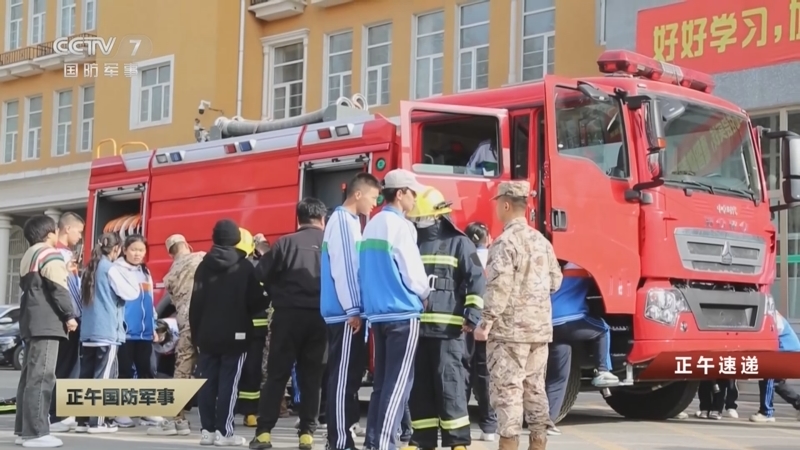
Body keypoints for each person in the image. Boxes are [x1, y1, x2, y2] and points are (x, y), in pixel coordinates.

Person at [474, 181, 562, 450]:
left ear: (505, 204)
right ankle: (538, 443)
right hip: (539, 330)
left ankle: (509, 444)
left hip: (509, 333)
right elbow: (556, 280)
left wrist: (485, 322)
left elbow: (499, 287)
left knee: (508, 391)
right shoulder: (542, 242)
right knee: (535, 389)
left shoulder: (503, 243)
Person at [404, 187, 486, 450]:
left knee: (450, 386)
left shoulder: (460, 243)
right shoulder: (410, 242)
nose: (418, 223)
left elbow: (477, 280)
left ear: (437, 216)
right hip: (416, 330)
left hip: (448, 332)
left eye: (421, 218)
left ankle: (458, 442)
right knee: (420, 390)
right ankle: (422, 441)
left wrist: (472, 315)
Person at [359, 169, 429, 450]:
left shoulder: (372, 224)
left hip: (378, 314)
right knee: (399, 384)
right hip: (402, 311)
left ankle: (374, 441)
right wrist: (425, 293)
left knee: (382, 384)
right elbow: (413, 272)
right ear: (400, 194)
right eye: (412, 194)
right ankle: (385, 444)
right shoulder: (402, 226)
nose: (414, 200)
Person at [250, 199, 328, 450]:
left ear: (298, 219)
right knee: (312, 378)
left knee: (276, 376)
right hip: (320, 318)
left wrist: (277, 292)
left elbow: (260, 274)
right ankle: (307, 434)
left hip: (287, 317)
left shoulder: (285, 243)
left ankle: (263, 434)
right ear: (322, 219)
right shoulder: (331, 244)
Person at [191, 220, 268, 446]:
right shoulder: (244, 267)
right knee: (229, 383)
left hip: (206, 335)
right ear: (236, 238)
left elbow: (195, 304)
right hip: (236, 335)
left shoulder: (202, 267)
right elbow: (257, 303)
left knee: (206, 382)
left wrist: (196, 335)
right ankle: (225, 432)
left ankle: (207, 431)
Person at [320, 173, 381, 450]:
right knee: (343, 378)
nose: (374, 204)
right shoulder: (344, 222)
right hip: (346, 315)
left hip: (345, 314)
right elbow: (344, 269)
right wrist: (354, 309)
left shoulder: (348, 222)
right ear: (358, 194)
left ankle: (340, 436)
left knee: (346, 377)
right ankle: (340, 440)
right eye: (372, 197)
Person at [15, 215, 78, 448]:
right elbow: (58, 287)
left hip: (30, 320)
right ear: (50, 233)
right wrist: (69, 316)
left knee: (29, 378)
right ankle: (37, 432)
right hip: (46, 321)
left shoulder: (29, 254)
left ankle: (24, 430)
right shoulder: (49, 253)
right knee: (43, 377)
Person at [75, 232, 141, 434]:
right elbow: (131, 293)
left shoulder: (88, 269)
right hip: (106, 331)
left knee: (86, 376)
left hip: (88, 332)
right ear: (117, 249)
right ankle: (99, 421)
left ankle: (83, 420)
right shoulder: (111, 269)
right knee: (103, 377)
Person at [147, 234, 205, 436]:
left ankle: (177, 417)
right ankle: (213, 421)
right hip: (206, 319)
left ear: (170, 253)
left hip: (186, 323)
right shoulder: (201, 258)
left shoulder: (170, 276)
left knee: (183, 367)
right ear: (187, 245)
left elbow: (170, 303)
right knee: (212, 365)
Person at [114, 234, 163, 428]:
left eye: (141, 250)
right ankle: (121, 411)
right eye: (133, 249)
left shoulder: (145, 271)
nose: (137, 253)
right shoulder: (117, 269)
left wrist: (153, 326)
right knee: (124, 372)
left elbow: (149, 302)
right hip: (126, 332)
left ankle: (147, 411)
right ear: (125, 250)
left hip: (145, 332)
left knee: (148, 371)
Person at [49, 212, 85, 433]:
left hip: (72, 317)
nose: (80, 236)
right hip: (66, 319)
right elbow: (61, 289)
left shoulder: (66, 254)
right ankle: (56, 415)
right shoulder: (58, 255)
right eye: (79, 231)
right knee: (62, 367)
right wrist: (70, 315)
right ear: (67, 229)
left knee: (69, 367)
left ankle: (61, 412)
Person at [464, 222, 498, 441]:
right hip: (488, 326)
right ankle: (489, 427)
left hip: (465, 325)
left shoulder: (464, 258)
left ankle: (459, 422)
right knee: (486, 377)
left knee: (462, 375)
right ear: (489, 238)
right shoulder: (495, 260)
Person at [235, 229, 270, 428]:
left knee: (244, 370)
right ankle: (249, 412)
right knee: (251, 371)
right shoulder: (253, 267)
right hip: (253, 328)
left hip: (246, 328)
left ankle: (244, 410)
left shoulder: (246, 267)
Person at [750, 312, 800, 423]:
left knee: (768, 377)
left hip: (788, 351)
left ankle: (766, 412)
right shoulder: (765, 313)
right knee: (777, 383)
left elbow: (768, 337)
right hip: (787, 351)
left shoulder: (769, 315)